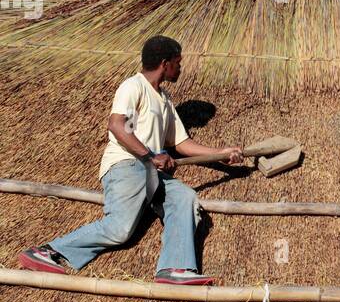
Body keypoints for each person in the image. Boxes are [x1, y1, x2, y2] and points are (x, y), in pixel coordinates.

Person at [19, 35, 243, 284]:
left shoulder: (165, 101)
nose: (180, 68)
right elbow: (118, 126)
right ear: (164, 62)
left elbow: (181, 143)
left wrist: (220, 154)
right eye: (178, 62)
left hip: (154, 173)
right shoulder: (133, 87)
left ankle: (174, 268)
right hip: (128, 165)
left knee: (184, 198)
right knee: (121, 228)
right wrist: (150, 155)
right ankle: (48, 251)